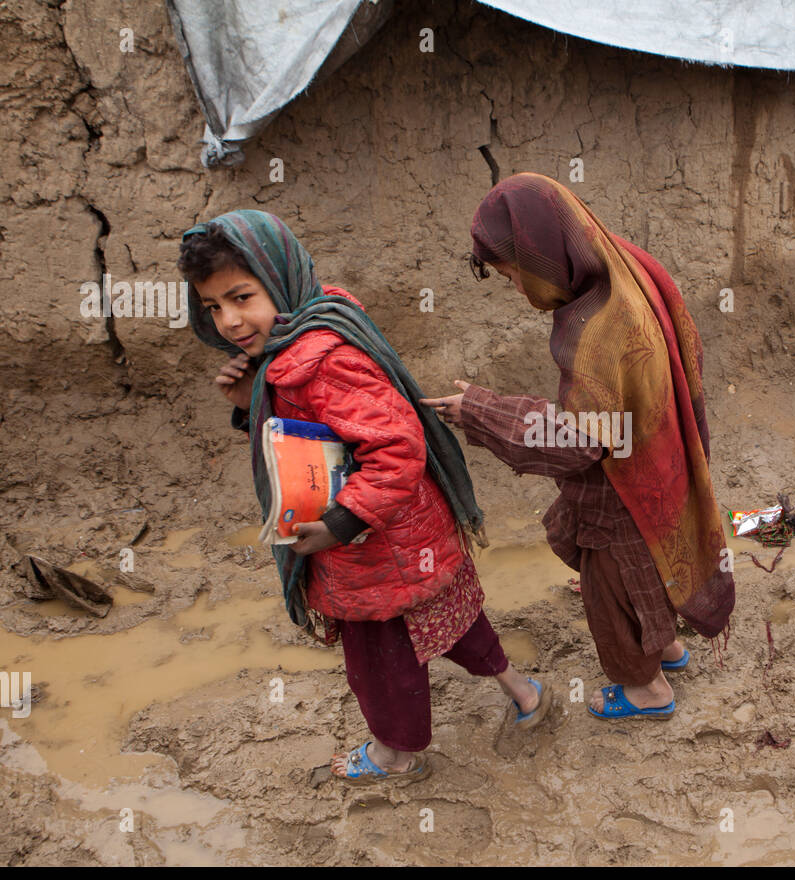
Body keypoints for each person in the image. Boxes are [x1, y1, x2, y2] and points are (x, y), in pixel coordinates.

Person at [177, 209, 551, 787]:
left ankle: (396, 755)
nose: (228, 320)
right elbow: (312, 435)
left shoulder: (323, 360)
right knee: (453, 620)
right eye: (213, 307)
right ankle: (524, 693)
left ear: (277, 279)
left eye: (241, 297)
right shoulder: (308, 333)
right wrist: (252, 398)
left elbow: (396, 450)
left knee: (381, 665)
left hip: (376, 552)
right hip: (414, 537)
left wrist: (343, 522)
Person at [423, 173, 735, 721]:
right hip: (662, 452)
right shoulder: (628, 264)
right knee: (650, 559)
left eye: (513, 275)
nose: (518, 289)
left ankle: (647, 691)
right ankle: (668, 647)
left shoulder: (593, 329)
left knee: (610, 585)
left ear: (542, 257)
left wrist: (481, 410)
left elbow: (579, 441)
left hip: (624, 480)